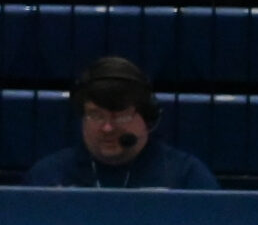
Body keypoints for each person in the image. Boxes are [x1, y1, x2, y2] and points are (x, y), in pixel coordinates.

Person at [24, 57, 219, 188]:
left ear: (148, 118)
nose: (107, 128)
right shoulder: (48, 177)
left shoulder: (185, 177)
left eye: (120, 116)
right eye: (96, 115)